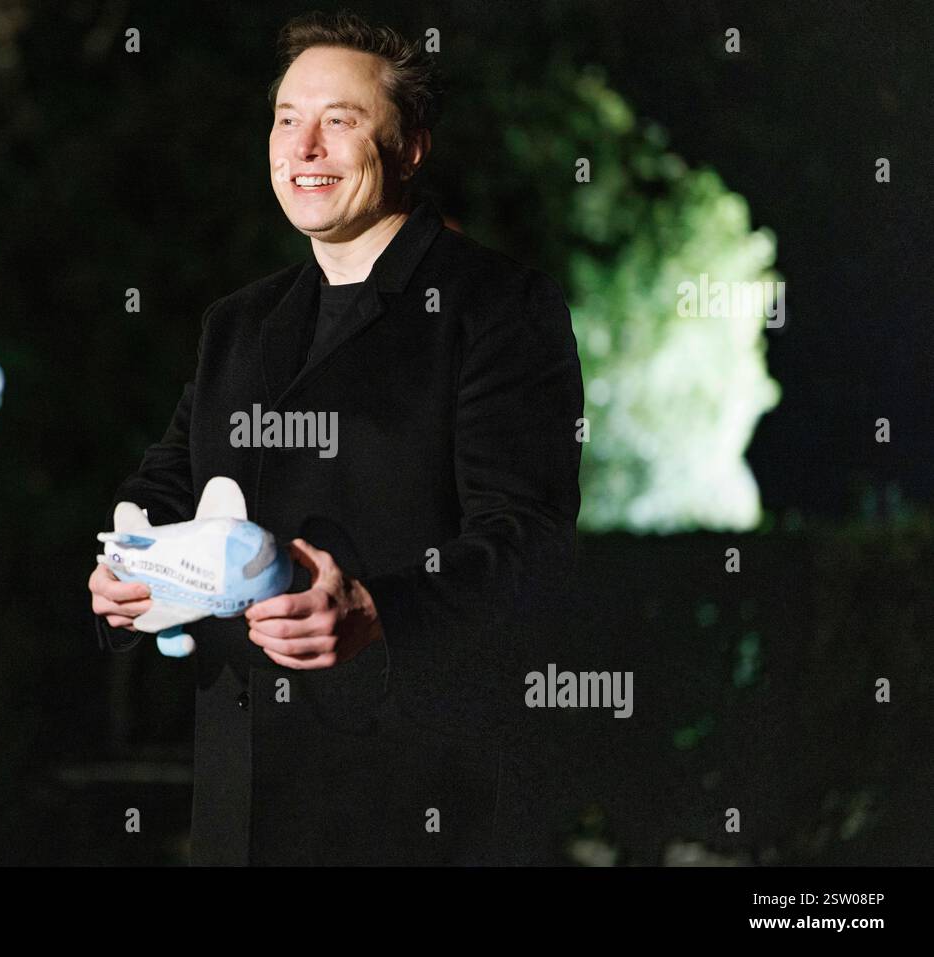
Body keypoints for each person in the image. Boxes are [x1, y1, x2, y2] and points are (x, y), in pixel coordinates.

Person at [88, 10, 584, 865]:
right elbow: (169, 481)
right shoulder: (237, 325)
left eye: (339, 121)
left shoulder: (498, 310)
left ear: (413, 146)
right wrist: (124, 576)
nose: (303, 147)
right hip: (240, 806)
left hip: (413, 805)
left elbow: (528, 543)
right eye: (286, 119)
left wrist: (379, 610)